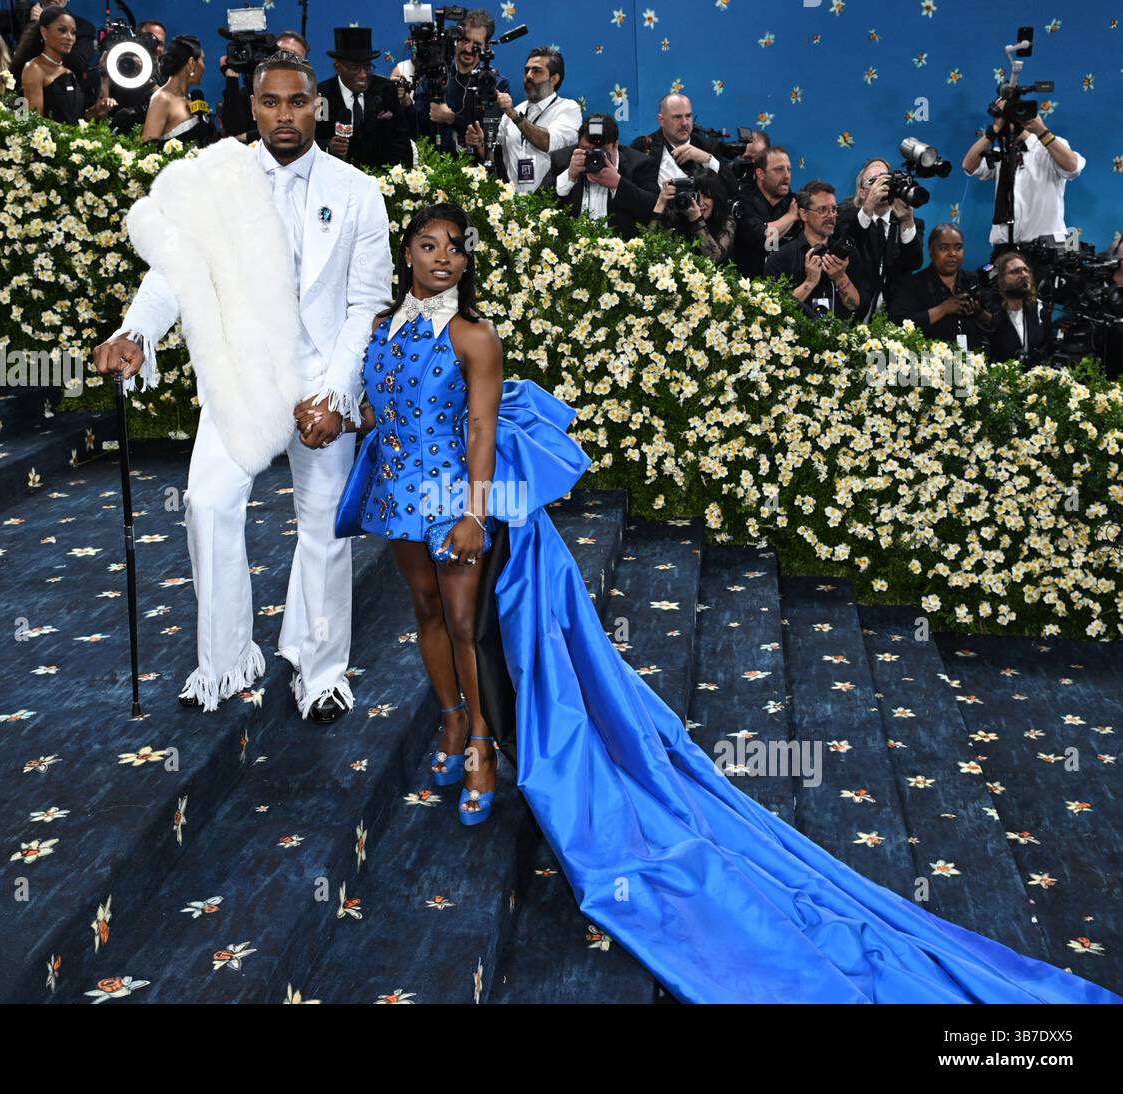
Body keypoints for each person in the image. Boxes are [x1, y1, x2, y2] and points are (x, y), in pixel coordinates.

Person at [332, 198, 1121, 1004]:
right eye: (427, 245)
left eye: (454, 248)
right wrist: (342, 417)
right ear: (405, 253)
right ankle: (454, 718)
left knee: (467, 625)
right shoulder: (384, 331)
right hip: (399, 491)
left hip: (456, 500)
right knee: (426, 616)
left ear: (467, 263)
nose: (441, 258)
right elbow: (378, 406)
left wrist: (473, 508)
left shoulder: (474, 336)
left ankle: (481, 754)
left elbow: (482, 428)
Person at [91, 54, 393, 722]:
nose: (284, 115)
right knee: (207, 504)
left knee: (324, 529)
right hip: (240, 376)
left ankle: (320, 673)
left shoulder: (356, 191)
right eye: (270, 102)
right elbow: (176, 272)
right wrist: (135, 334)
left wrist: (340, 399)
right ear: (250, 107)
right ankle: (225, 662)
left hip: (320, 385)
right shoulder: (217, 181)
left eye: (297, 101)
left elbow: (366, 305)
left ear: (319, 104)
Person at [962, 101, 1085, 252]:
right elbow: (968, 166)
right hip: (1006, 249)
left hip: (1047, 250)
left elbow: (1073, 167)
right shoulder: (1001, 152)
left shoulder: (1049, 146)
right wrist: (993, 130)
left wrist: (1041, 130)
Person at [465, 45, 581, 195]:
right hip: (513, 207)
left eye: (537, 71)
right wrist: (480, 144)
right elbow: (494, 160)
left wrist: (515, 116)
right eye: (527, 70)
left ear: (554, 79)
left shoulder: (568, 108)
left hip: (551, 204)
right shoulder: (513, 112)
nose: (529, 76)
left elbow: (548, 142)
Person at [539, 113, 659, 241]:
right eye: (586, 149)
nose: (593, 156)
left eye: (601, 150)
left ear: (615, 145)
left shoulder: (640, 164)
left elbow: (653, 210)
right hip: (572, 253)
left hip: (622, 254)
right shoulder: (563, 160)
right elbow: (538, 205)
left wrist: (617, 184)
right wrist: (568, 177)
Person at [414, 7, 509, 158]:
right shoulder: (434, 73)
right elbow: (417, 125)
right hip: (433, 168)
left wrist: (452, 118)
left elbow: (490, 138)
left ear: (487, 46)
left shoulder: (496, 84)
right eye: (465, 40)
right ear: (456, 39)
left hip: (475, 173)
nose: (469, 48)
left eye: (476, 44)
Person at [313, 26, 412, 170]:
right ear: (337, 67)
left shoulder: (386, 90)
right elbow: (312, 139)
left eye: (367, 67)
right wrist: (328, 146)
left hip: (382, 181)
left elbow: (401, 139)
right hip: (337, 180)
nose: (363, 74)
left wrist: (402, 179)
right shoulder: (323, 96)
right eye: (355, 68)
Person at [836, 157, 923, 318]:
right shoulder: (846, 217)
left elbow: (913, 263)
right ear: (862, 193)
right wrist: (868, 208)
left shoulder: (912, 221)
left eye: (886, 180)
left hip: (894, 315)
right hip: (854, 311)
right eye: (873, 181)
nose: (881, 185)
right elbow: (848, 248)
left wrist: (907, 222)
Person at [763, 180, 862, 320]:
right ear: (803, 214)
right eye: (822, 210)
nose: (831, 215)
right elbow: (774, 311)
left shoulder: (847, 254)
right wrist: (809, 282)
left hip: (839, 337)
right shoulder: (781, 257)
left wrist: (840, 277)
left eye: (834, 209)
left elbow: (855, 306)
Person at [889, 224, 992, 349]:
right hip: (928, 361)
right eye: (944, 248)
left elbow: (995, 324)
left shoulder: (973, 280)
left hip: (972, 361)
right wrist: (942, 309)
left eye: (958, 248)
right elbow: (898, 322)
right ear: (931, 251)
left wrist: (978, 313)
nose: (952, 254)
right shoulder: (914, 284)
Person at [633, 93, 730, 194]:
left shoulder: (707, 146)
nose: (684, 123)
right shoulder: (645, 146)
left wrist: (707, 159)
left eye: (688, 116)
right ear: (661, 120)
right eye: (677, 117)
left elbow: (731, 189)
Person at [733, 144, 800, 277]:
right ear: (760, 174)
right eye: (779, 170)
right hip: (749, 285)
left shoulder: (796, 202)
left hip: (788, 284)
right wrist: (791, 217)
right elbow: (764, 239)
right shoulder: (743, 201)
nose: (787, 176)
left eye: (789, 169)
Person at [139, 35, 215, 148]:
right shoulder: (162, 98)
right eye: (202, 60)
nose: (203, 67)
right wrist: (184, 138)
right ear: (191, 63)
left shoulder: (193, 98)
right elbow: (147, 148)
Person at [980, 249, 1054, 365]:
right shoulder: (988, 314)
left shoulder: (1040, 310)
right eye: (1015, 272)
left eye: (1026, 270)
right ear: (999, 280)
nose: (1024, 275)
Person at [651, 168, 734, 263]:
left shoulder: (726, 221)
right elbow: (649, 247)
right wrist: (660, 204)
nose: (701, 203)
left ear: (716, 198)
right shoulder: (678, 215)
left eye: (706, 196)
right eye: (695, 196)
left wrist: (696, 219)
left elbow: (714, 258)